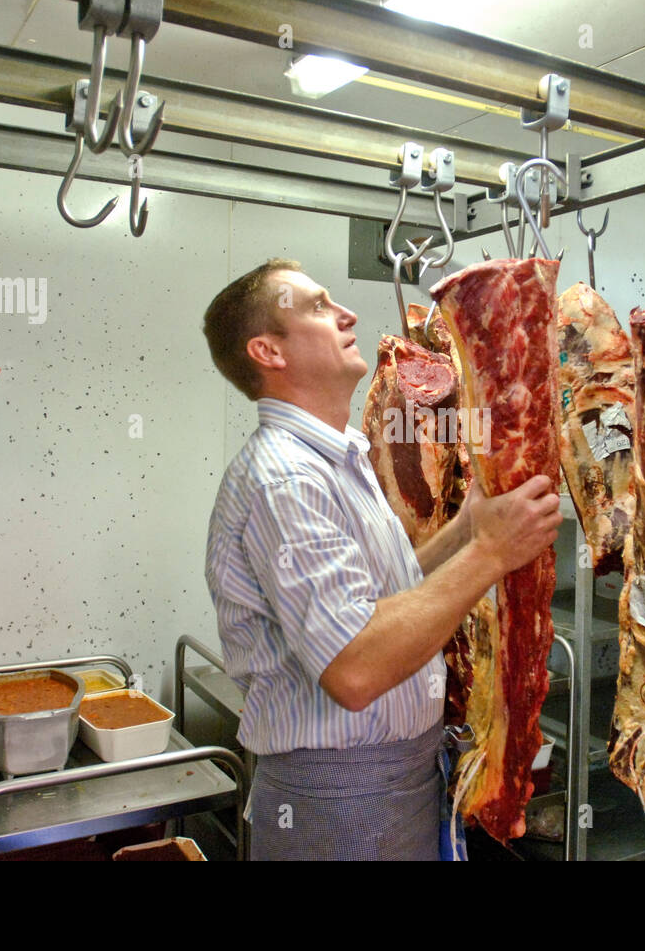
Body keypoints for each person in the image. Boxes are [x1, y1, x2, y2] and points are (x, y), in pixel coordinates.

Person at [202, 258, 561, 860]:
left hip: (397, 780)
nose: (346, 313)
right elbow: (355, 668)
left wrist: (464, 529)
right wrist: (490, 552)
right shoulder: (284, 479)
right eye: (317, 307)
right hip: (336, 801)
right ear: (268, 351)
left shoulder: (335, 460)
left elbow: (382, 600)